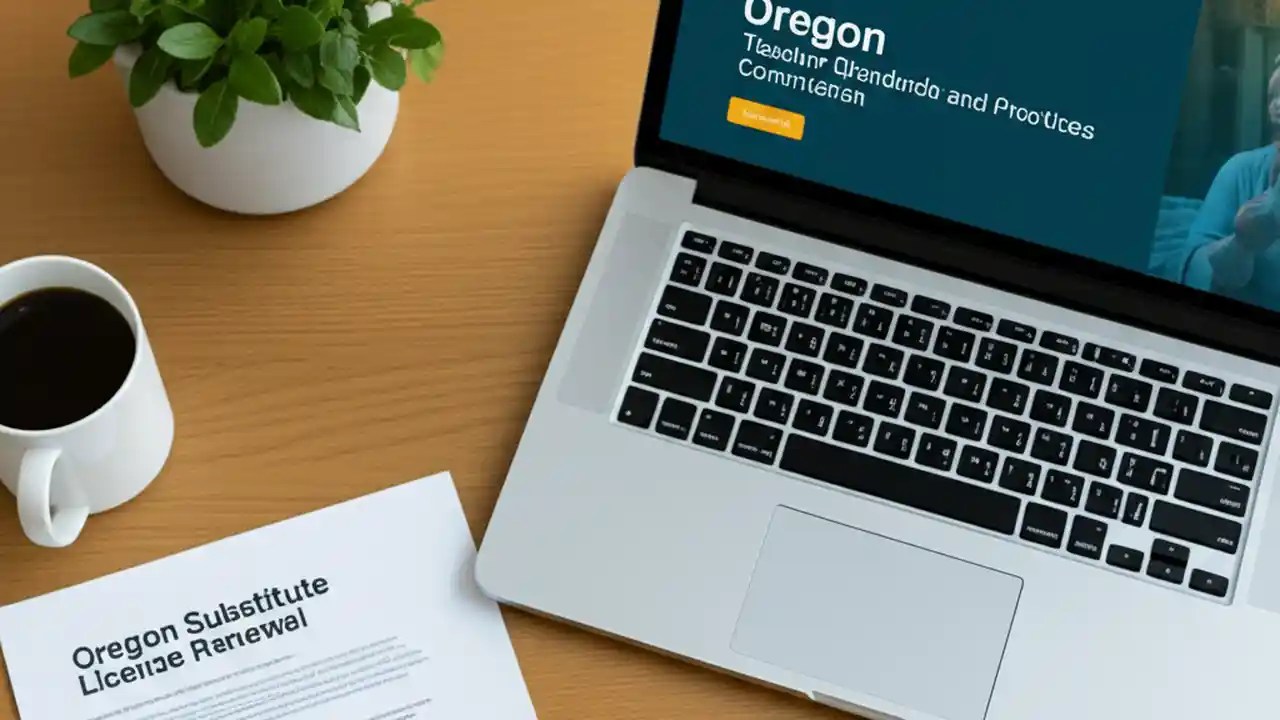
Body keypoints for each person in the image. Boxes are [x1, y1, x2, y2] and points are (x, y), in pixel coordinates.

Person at [1165, 63, 1280, 310]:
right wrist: (1241, 245)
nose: (1277, 104)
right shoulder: (1243, 171)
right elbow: (1193, 268)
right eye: (1273, 97)